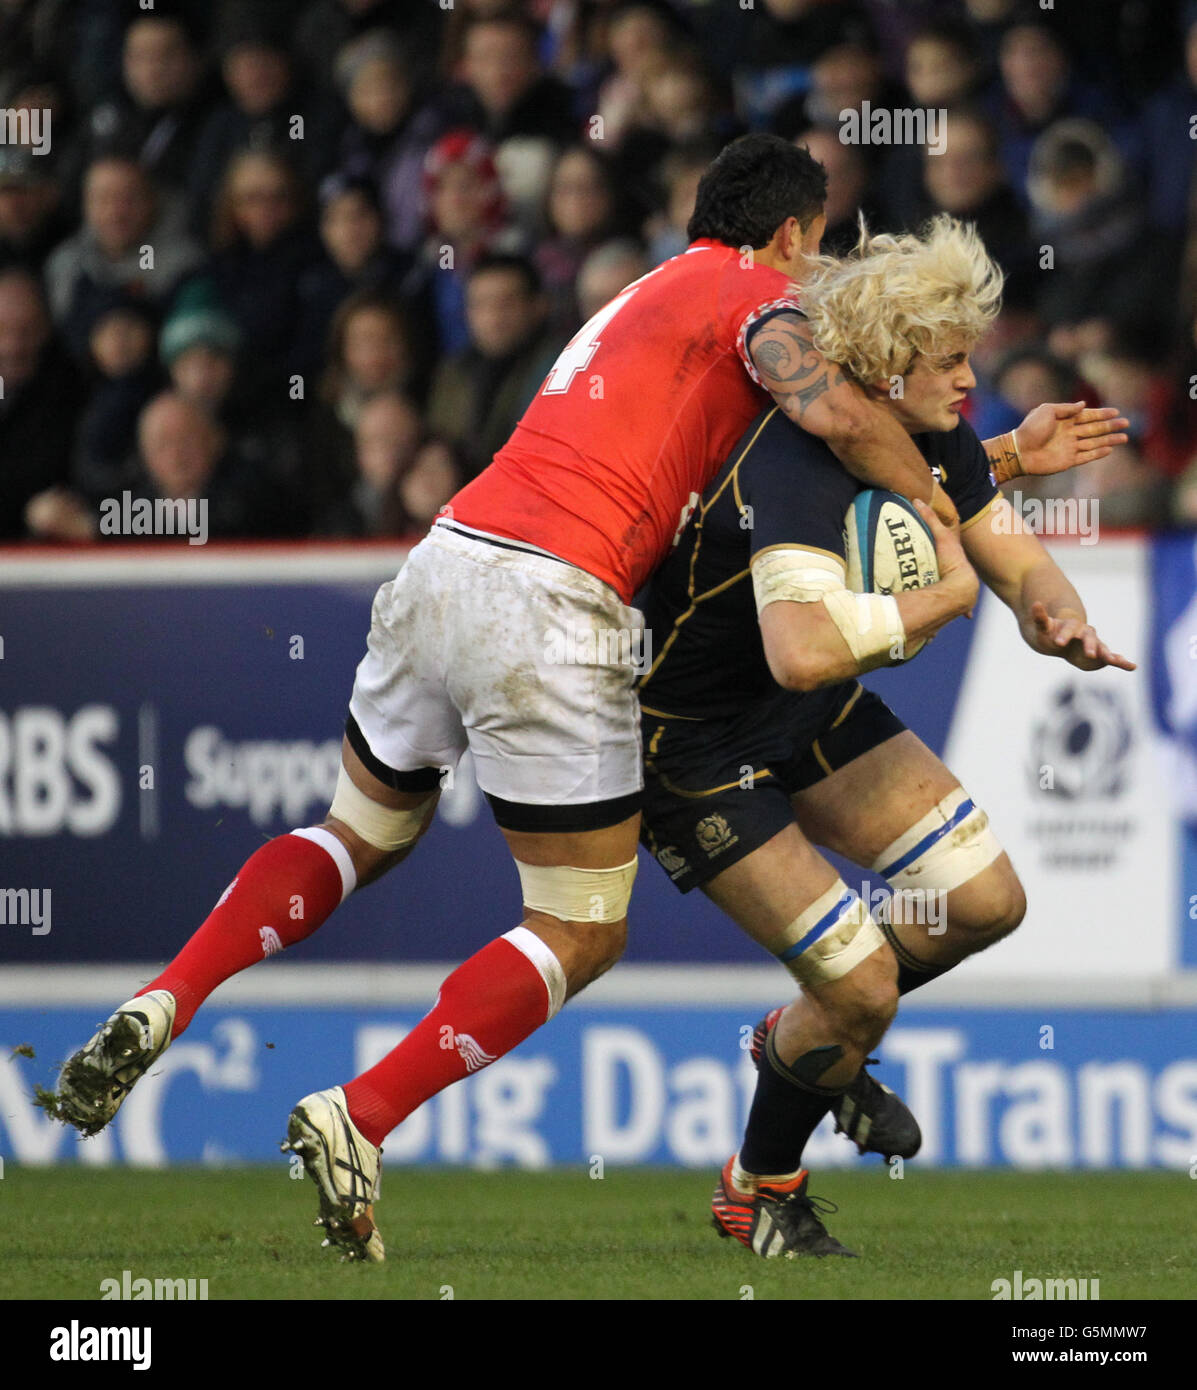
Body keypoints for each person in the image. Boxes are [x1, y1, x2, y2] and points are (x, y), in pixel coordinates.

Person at [50, 134, 967, 1263]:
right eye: (816, 250)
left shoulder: (645, 291)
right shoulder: (748, 292)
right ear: (789, 235)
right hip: (552, 595)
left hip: (447, 556)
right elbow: (823, 402)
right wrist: (935, 501)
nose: (814, 275)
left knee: (360, 830)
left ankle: (170, 995)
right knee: (580, 929)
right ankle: (362, 1111)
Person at [635, 216, 1133, 1258]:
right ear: (890, 359)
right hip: (692, 738)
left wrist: (1062, 620)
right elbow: (802, 651)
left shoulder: (934, 435)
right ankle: (762, 1185)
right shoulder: (797, 461)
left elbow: (1014, 560)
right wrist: (947, 602)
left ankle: (801, 1041)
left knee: (985, 901)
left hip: (806, 715)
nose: (968, 378)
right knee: (860, 985)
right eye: (949, 358)